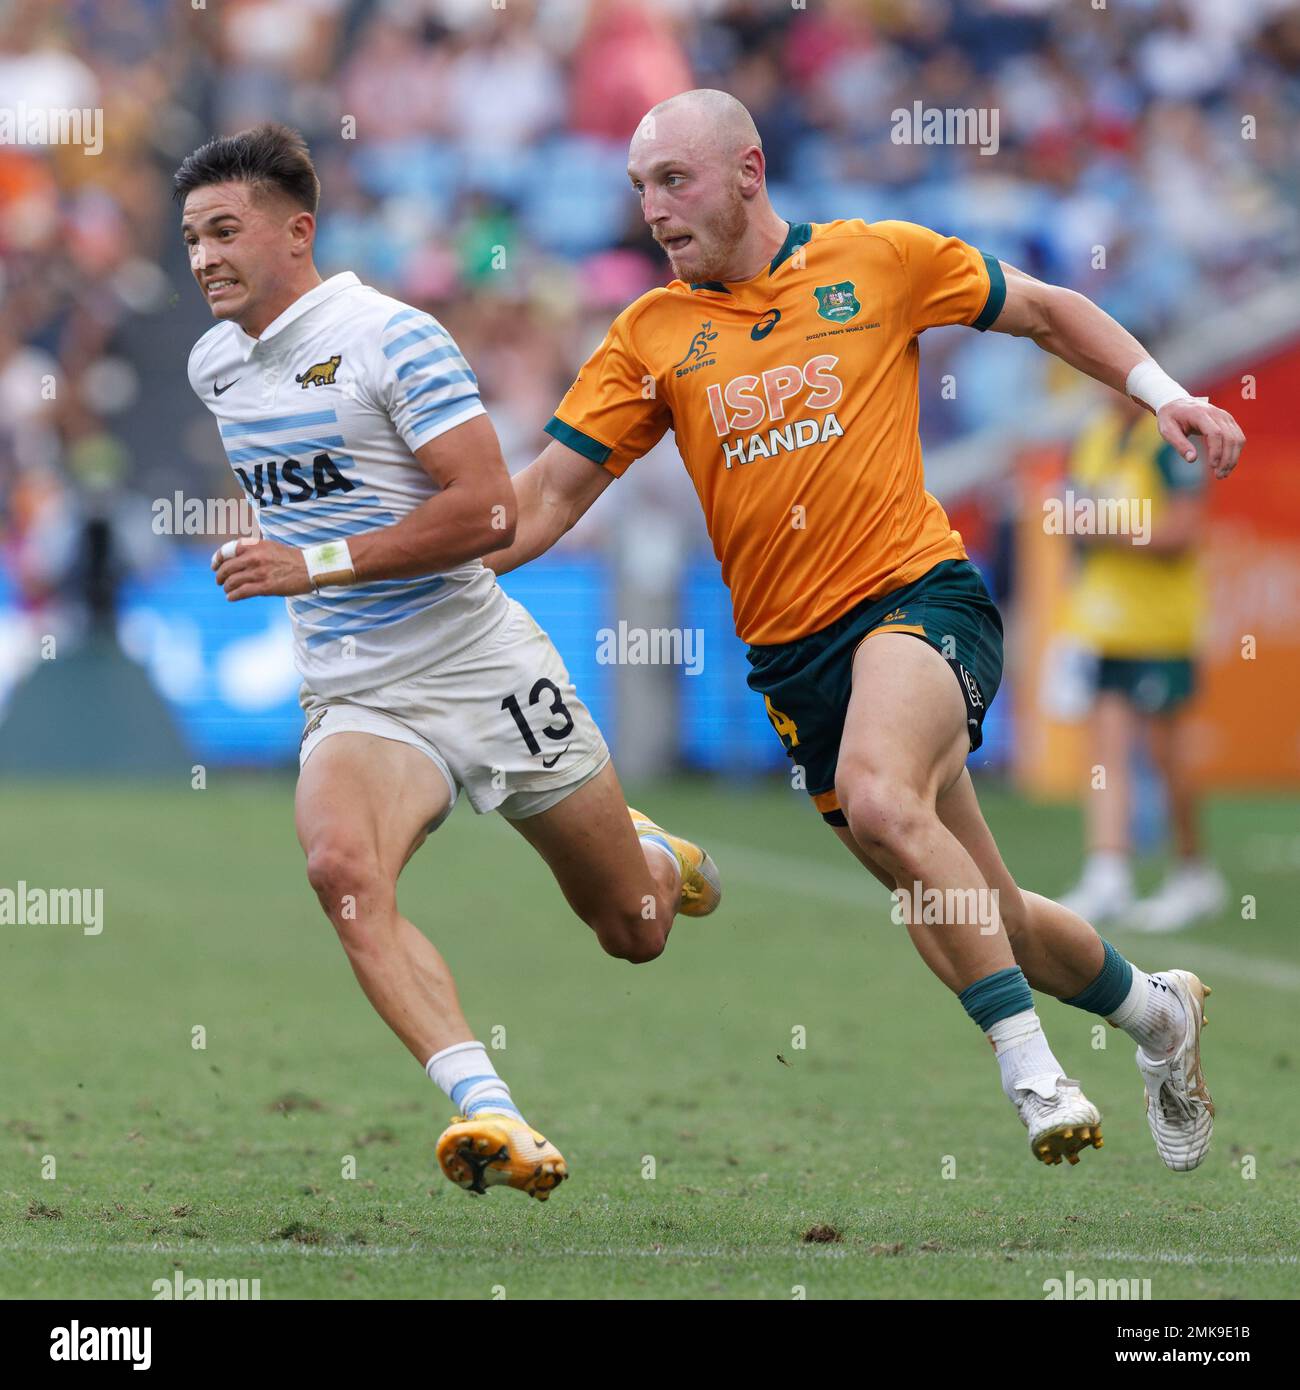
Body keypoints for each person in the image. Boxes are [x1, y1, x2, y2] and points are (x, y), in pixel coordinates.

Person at [487, 90, 1245, 1171]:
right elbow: (549, 500)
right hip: (796, 666)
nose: (651, 209)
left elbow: (1041, 308)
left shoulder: (877, 260)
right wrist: (394, 564)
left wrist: (1158, 392)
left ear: (748, 171)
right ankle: (1157, 1015)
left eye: (674, 180)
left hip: (916, 599)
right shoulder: (650, 335)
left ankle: (1033, 1075)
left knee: (887, 799)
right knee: (998, 920)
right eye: (639, 188)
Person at [176, 123, 721, 1203]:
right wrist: (295, 558)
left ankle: (653, 855)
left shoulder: (393, 338)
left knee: (635, 932)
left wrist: (311, 560)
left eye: (225, 231)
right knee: (342, 872)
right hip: (356, 686)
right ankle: (492, 1111)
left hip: (476, 660)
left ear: (299, 232)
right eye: (191, 238)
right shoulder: (212, 364)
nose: (203, 259)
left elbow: (487, 509)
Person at [1057, 395, 1227, 933]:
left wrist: (1109, 530)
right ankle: (1109, 871)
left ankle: (1193, 871)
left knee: (1163, 752)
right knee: (1105, 747)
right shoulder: (1093, 437)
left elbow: (1182, 531)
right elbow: (1073, 519)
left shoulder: (1171, 443)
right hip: (1104, 622)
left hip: (1160, 626)